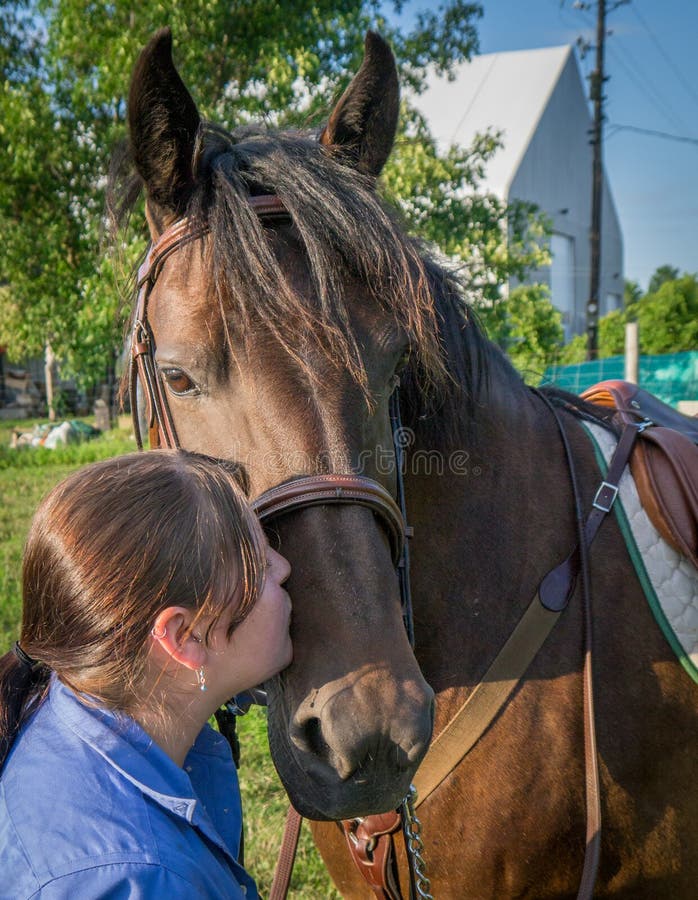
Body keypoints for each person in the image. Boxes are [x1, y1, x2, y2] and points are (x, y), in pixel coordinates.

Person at [0, 450, 292, 899]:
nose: (285, 569)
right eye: (264, 565)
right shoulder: (137, 881)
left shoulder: (68, 709)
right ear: (185, 636)